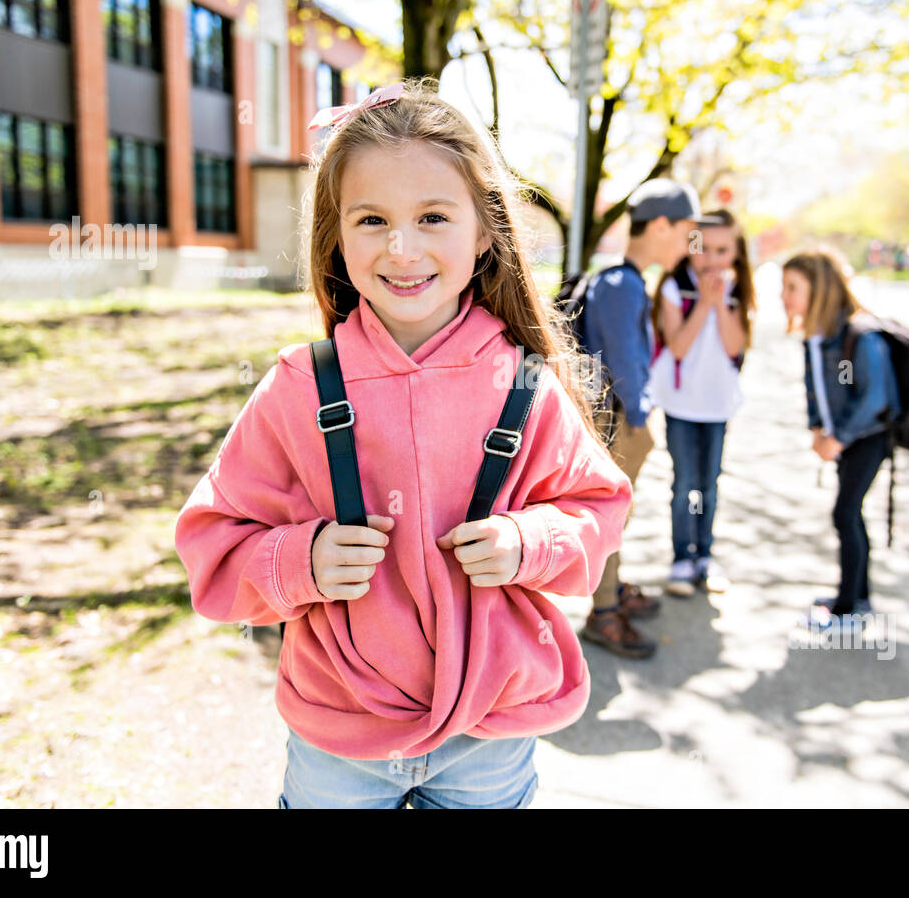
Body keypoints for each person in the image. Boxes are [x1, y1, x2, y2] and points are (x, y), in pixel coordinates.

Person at [173, 78, 633, 809]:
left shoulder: (525, 383)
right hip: (339, 741)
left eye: (432, 216)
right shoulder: (299, 386)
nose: (402, 246)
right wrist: (301, 560)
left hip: (490, 733)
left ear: (485, 232)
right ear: (335, 233)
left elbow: (597, 509)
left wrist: (530, 540)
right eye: (372, 219)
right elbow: (212, 543)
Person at [578, 178, 715, 659]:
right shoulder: (623, 284)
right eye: (685, 232)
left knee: (616, 514)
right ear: (659, 226)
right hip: (618, 420)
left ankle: (612, 591)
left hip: (616, 416)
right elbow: (628, 363)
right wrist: (639, 418)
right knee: (611, 515)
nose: (689, 243)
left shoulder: (623, 280)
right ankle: (604, 611)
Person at [780, 246, 901, 631]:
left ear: (820, 289)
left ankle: (850, 610)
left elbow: (874, 396)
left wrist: (839, 436)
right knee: (850, 515)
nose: (784, 297)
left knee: (845, 513)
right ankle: (857, 598)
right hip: (846, 439)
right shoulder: (817, 337)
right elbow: (815, 387)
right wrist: (817, 428)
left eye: (792, 287)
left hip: (868, 438)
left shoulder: (857, 334)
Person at [650, 208, 756, 596]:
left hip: (717, 404)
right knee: (684, 484)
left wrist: (721, 301)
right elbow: (678, 346)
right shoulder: (674, 288)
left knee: (709, 484)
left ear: (736, 253)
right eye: (703, 248)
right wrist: (705, 303)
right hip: (681, 403)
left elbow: (733, 347)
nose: (712, 259)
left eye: (722, 250)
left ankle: (704, 556)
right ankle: (681, 557)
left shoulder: (739, 291)